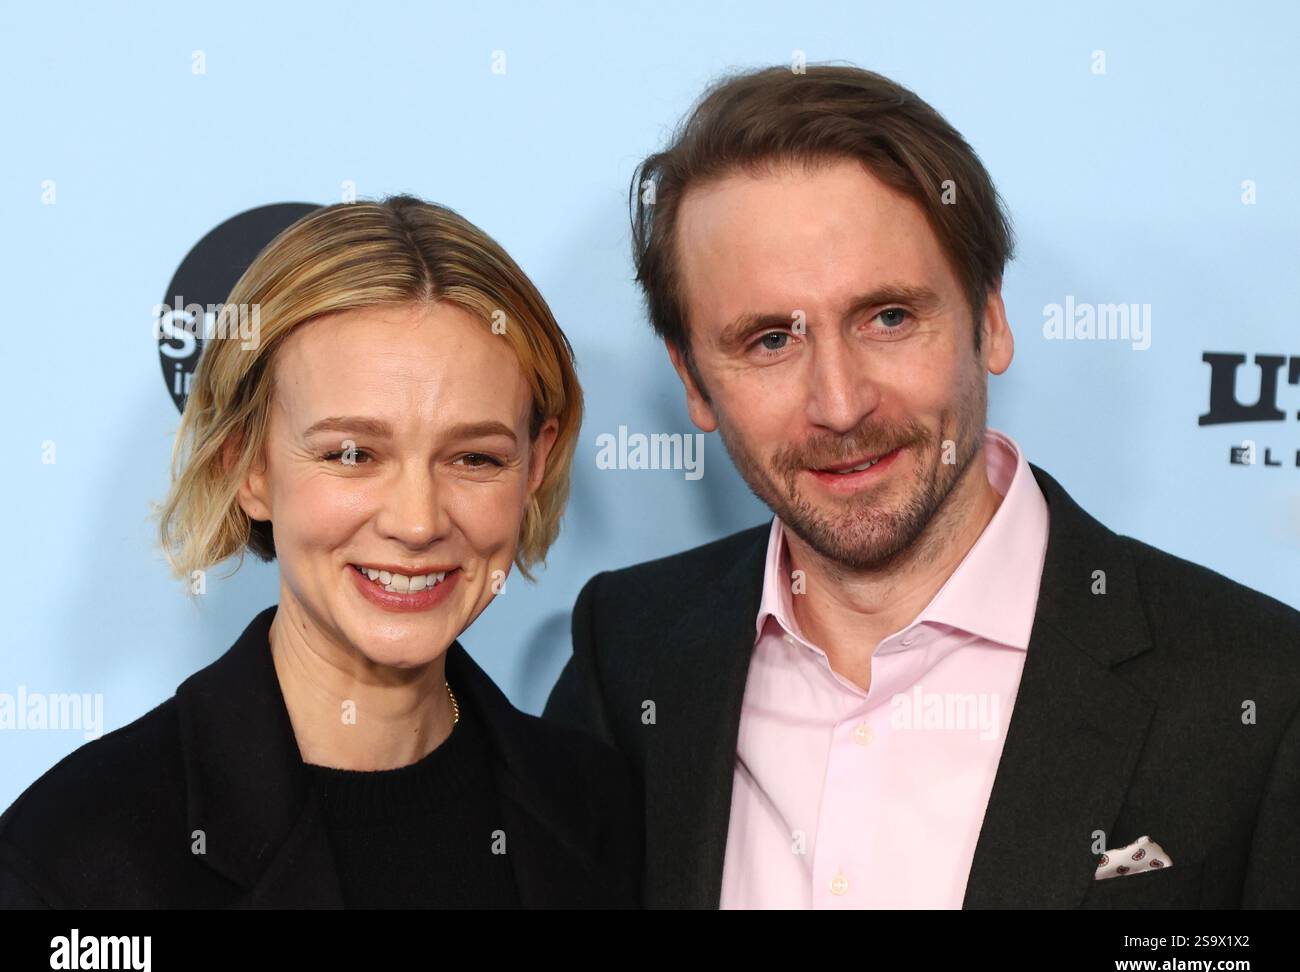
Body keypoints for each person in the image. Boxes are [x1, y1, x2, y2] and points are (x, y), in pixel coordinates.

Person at [543, 64, 1300, 909]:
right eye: (767, 341)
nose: (840, 404)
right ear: (692, 381)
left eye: (889, 317)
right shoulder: (633, 655)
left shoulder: (1259, 692)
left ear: (991, 317)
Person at [0, 195, 640, 908]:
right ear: (247, 467)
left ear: (536, 466)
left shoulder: (604, 811)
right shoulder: (79, 856)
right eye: (354, 452)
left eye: (475, 458)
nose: (418, 520)